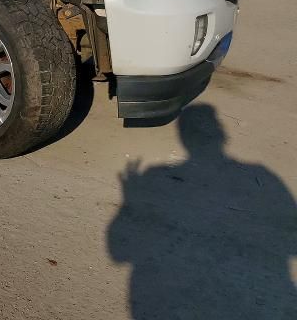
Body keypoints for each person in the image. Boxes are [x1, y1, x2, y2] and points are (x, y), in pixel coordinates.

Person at [107, 104, 296, 318]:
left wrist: (131, 199)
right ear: (222, 134)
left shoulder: (154, 176)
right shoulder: (262, 176)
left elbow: (118, 253)